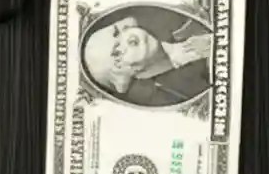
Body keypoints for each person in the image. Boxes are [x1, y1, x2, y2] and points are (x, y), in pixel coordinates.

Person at [80, 7, 213, 106]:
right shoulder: (175, 97)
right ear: (122, 79)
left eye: (117, 33)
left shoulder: (185, 19)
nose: (125, 41)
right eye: (117, 55)